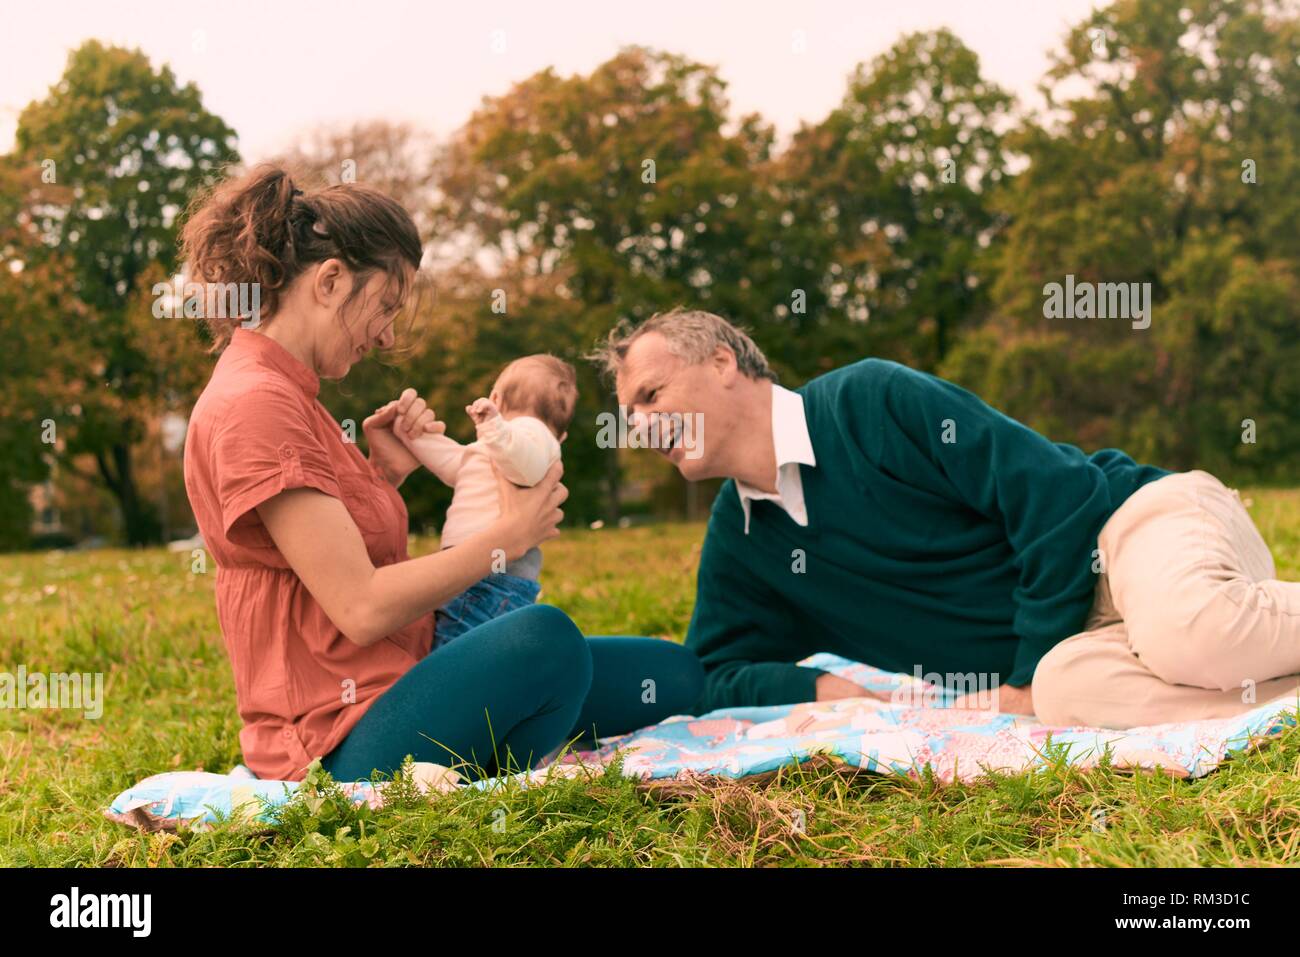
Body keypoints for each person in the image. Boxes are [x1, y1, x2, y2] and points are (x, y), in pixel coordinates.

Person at [180, 164, 703, 783]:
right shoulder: (257, 404)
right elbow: (362, 607)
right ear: (328, 281)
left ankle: (515, 728)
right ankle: (498, 764)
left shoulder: (294, 397)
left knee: (671, 674)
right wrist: (507, 539)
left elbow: (320, 554)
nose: (387, 334)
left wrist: (383, 476)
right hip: (337, 734)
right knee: (546, 641)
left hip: (406, 673)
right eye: (385, 306)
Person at [592, 307, 1300, 729]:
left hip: (1129, 527)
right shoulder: (742, 539)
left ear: (722, 362)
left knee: (1187, 632)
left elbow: (1055, 495)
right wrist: (821, 687)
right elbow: (714, 670)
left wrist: (1019, 679)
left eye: (651, 395)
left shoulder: (866, 402)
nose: (641, 425)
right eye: (630, 417)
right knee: (1065, 696)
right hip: (1072, 650)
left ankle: (1223, 633)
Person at [397, 354, 575, 645]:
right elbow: (455, 463)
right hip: (474, 573)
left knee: (455, 657)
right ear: (565, 434)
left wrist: (495, 428)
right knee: (466, 653)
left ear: (495, 398)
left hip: (493, 579)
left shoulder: (535, 436)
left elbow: (524, 467)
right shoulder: (493, 447)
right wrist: (412, 437)